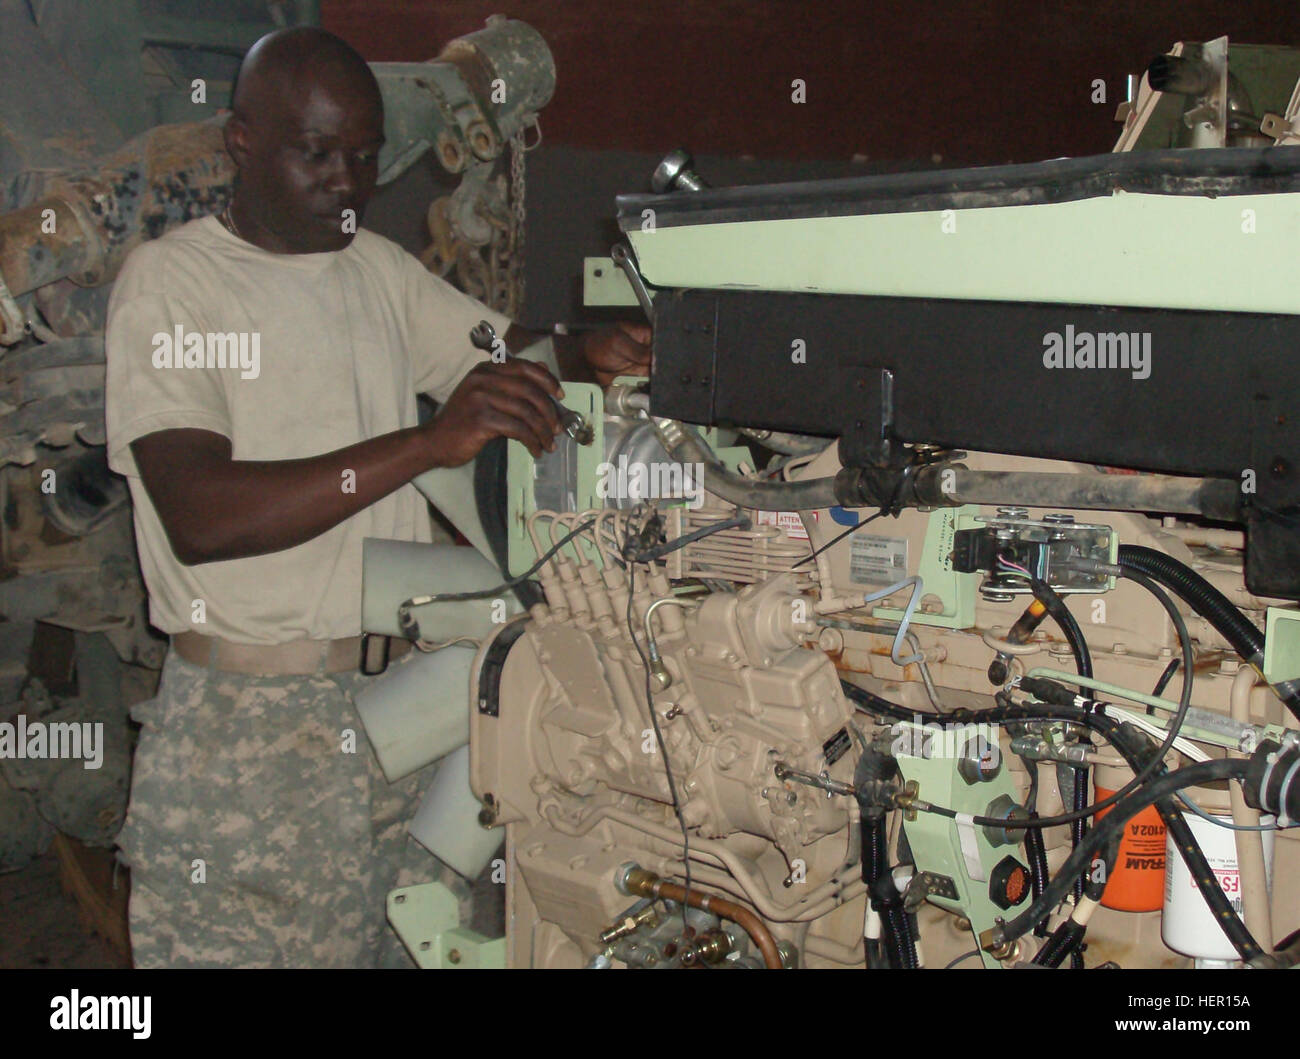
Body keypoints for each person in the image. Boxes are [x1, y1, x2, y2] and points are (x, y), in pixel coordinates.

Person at [103, 26, 650, 967]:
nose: (349, 183)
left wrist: (580, 349)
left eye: (362, 156)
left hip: (401, 703)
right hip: (253, 731)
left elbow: (499, 352)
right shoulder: (176, 285)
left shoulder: (374, 270)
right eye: (316, 153)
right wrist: (426, 443)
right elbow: (201, 513)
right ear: (240, 140)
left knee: (422, 943)